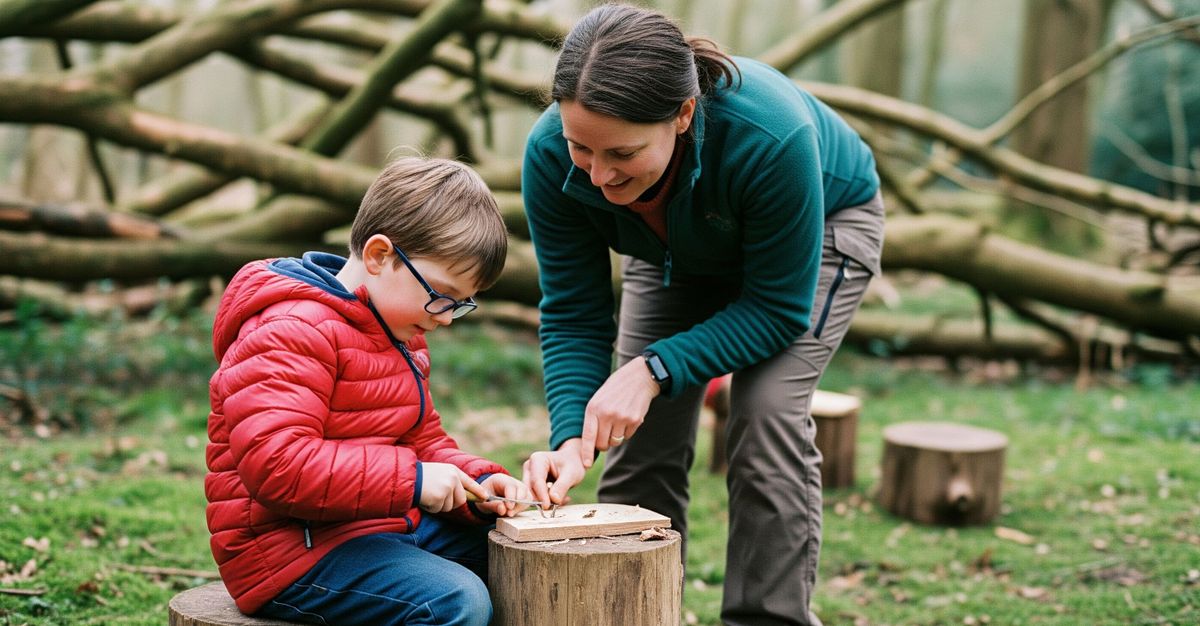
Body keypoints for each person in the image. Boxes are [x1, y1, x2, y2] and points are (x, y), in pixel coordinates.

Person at [519, 4, 884, 625]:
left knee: (765, 417)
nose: (601, 177)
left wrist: (650, 369)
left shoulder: (771, 136)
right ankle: (638, 613)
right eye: (583, 148)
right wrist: (570, 440)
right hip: (676, 253)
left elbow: (775, 309)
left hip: (820, 238)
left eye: (623, 153)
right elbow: (575, 312)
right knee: (634, 441)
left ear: (683, 114)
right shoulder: (551, 156)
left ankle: (766, 618)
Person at [205, 156, 531, 626]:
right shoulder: (291, 329)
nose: (444, 317)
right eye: (441, 295)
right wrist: (415, 481)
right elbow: (277, 466)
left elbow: (421, 442)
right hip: (291, 553)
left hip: (377, 527)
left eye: (460, 306)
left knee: (515, 551)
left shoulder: (398, 332)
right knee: (455, 602)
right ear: (380, 256)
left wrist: (478, 485)